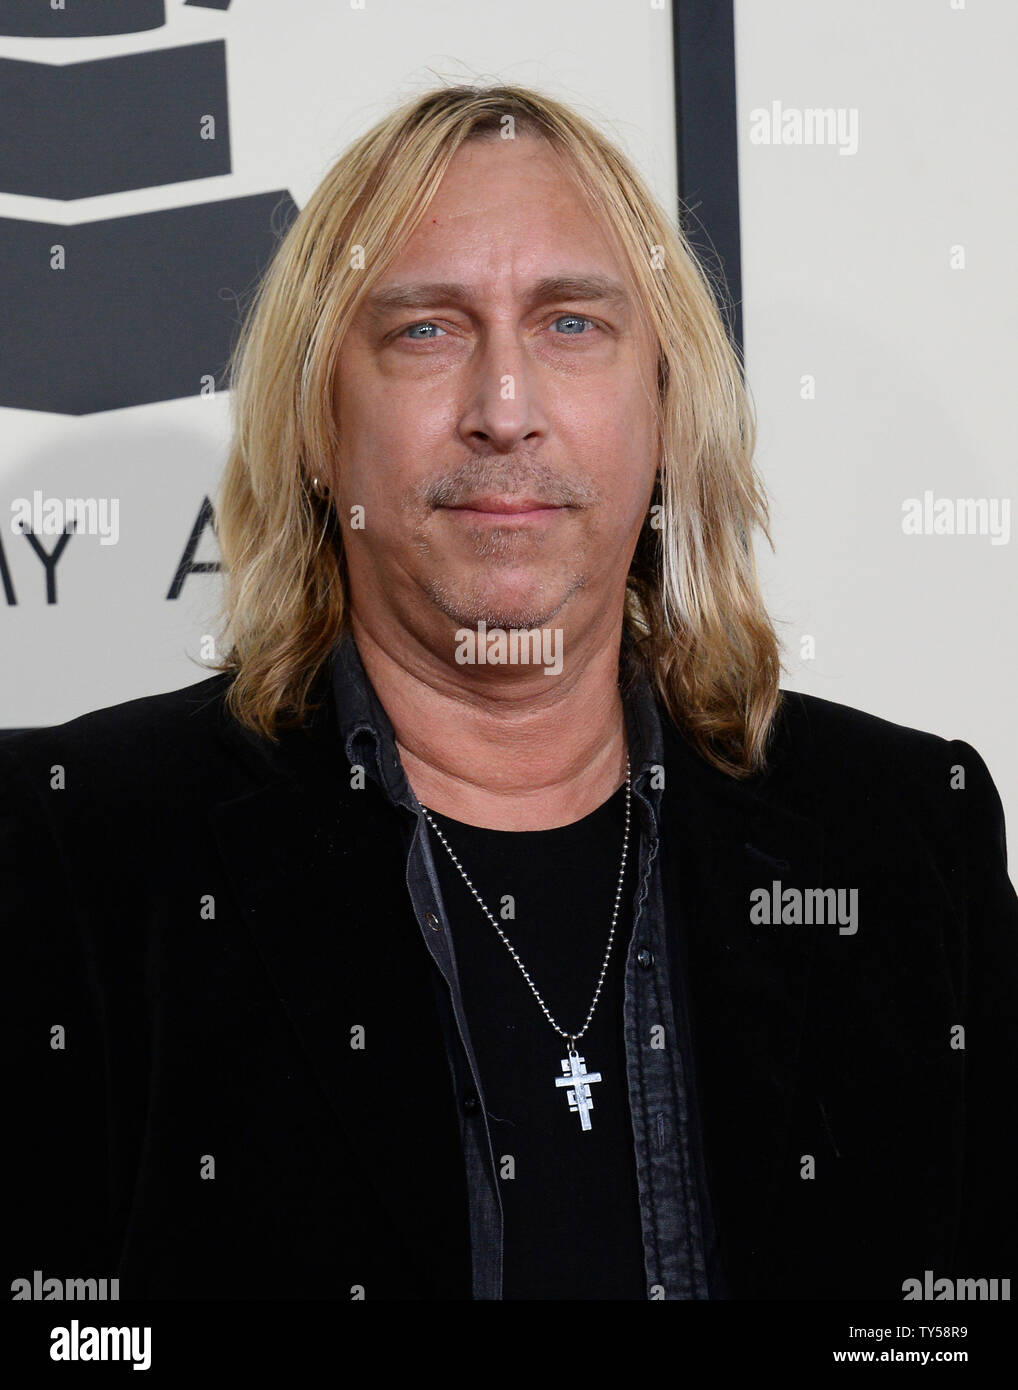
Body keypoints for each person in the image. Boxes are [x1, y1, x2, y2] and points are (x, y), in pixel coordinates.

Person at [4, 84, 1016, 1302]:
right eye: (425, 331)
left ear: (665, 406)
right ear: (320, 427)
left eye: (572, 325)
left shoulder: (903, 836)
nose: (502, 411)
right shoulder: (75, 849)